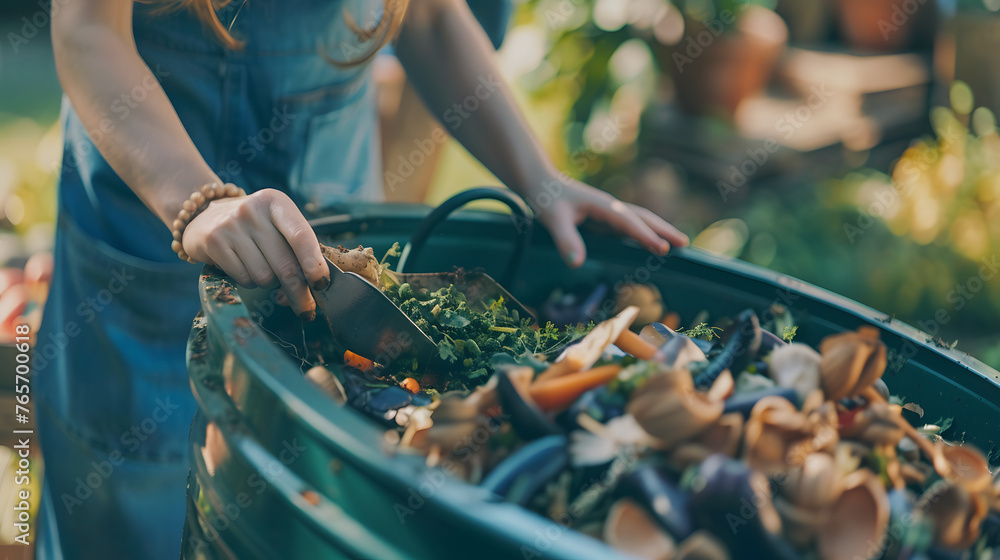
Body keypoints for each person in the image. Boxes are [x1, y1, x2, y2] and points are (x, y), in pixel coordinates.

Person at [37, 0, 690, 558]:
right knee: (127, 495)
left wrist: (539, 180)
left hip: (331, 212)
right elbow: (88, 28)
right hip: (150, 218)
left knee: (307, 503)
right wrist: (199, 201)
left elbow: (429, 17)